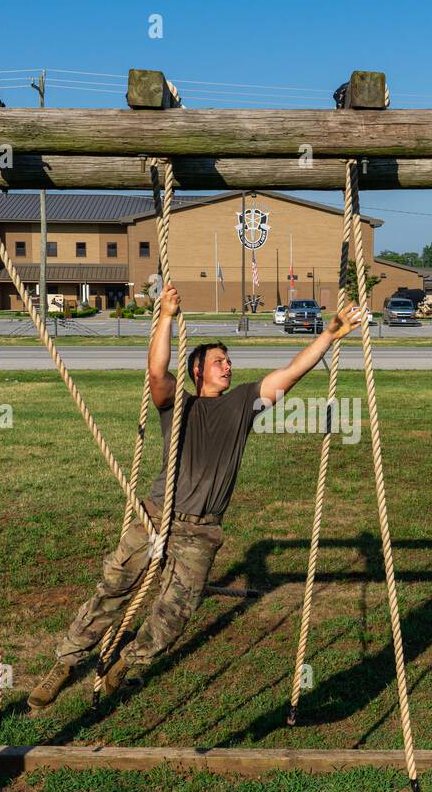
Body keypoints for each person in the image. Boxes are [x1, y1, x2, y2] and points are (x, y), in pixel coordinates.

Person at [28, 283, 365, 709]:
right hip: (156, 517)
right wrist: (166, 315)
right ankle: (65, 663)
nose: (228, 367)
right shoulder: (178, 406)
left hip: (201, 532)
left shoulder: (244, 402)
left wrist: (329, 335)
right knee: (114, 587)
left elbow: (290, 375)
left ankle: (125, 660)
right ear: (198, 371)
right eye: (219, 362)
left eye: (229, 361)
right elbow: (156, 374)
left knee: (175, 615)